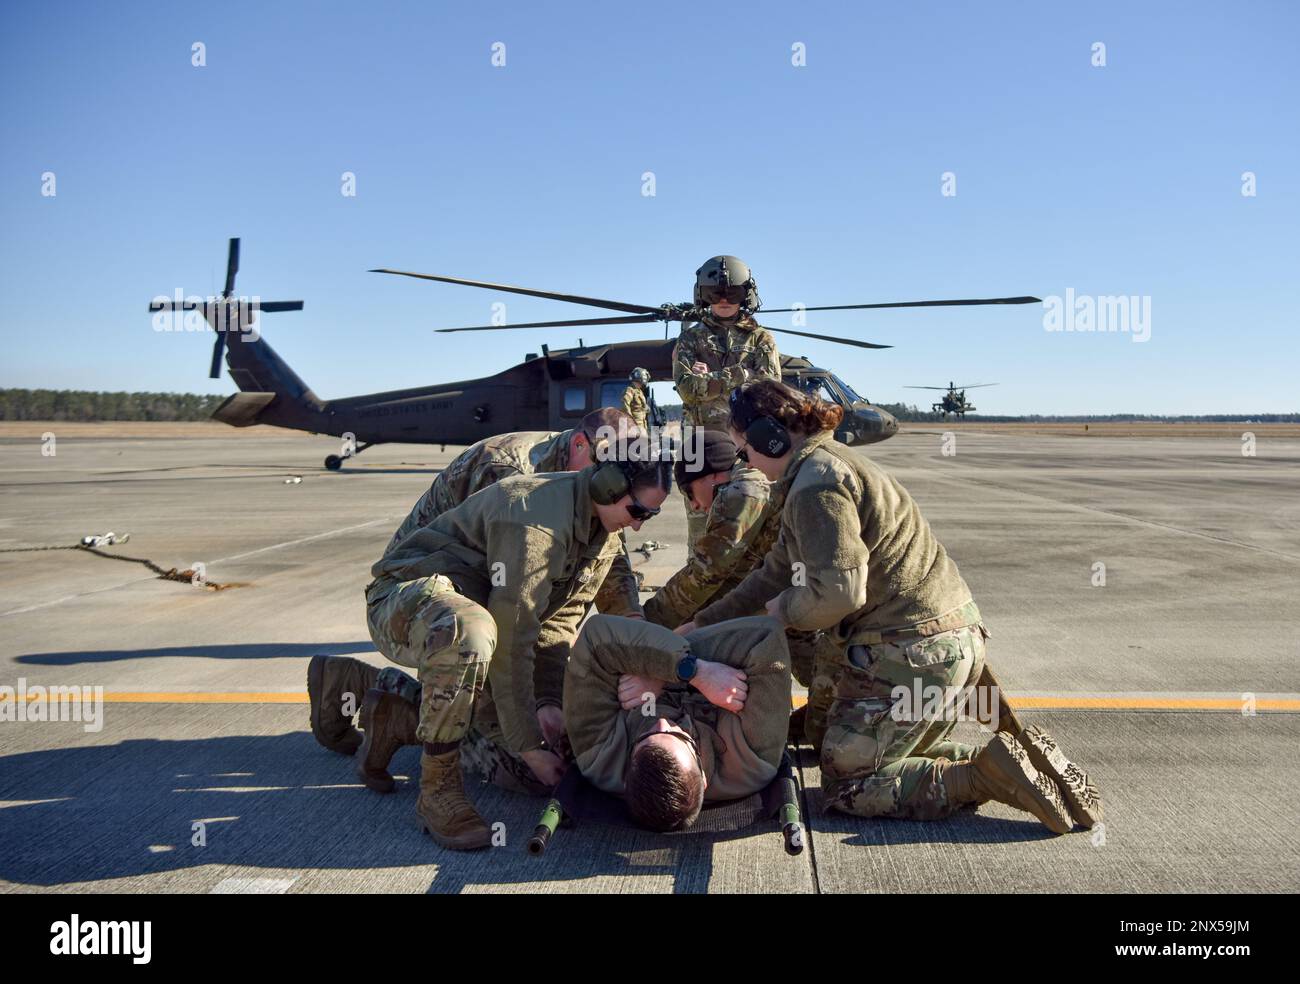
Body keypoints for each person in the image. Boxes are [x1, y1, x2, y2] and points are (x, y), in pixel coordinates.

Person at [680, 379, 1102, 834]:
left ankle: (984, 776)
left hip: (911, 653)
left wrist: (780, 615)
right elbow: (776, 571)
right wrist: (701, 625)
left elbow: (838, 594)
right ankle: (1020, 762)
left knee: (848, 784)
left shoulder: (815, 487)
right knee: (887, 756)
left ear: (770, 437)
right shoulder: (827, 466)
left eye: (746, 451)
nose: (748, 463)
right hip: (955, 642)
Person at [365, 454, 672, 849]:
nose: (638, 523)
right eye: (635, 510)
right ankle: (437, 789)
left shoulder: (602, 527)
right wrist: (528, 744)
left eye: (650, 515)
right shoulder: (534, 523)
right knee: (471, 636)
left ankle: (394, 710)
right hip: (410, 604)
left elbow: (559, 622)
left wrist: (547, 703)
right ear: (607, 486)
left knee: (529, 775)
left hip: (485, 620)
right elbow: (512, 639)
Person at [306, 409, 644, 759]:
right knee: (508, 753)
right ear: (578, 443)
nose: (613, 483)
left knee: (554, 724)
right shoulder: (513, 476)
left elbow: (607, 560)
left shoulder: (586, 485)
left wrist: (634, 628)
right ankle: (370, 691)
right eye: (608, 471)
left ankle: (374, 695)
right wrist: (523, 730)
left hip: (493, 606)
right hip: (423, 599)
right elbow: (506, 610)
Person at [642, 430, 836, 748]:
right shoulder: (755, 482)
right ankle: (825, 712)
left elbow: (706, 573)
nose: (696, 505)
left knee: (834, 742)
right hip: (803, 594)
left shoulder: (740, 491)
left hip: (814, 601)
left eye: (690, 493)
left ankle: (833, 713)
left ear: (713, 475)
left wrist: (647, 624)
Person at [563, 613, 791, 831]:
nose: (663, 723)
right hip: (707, 630)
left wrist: (665, 669)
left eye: (648, 735)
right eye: (679, 735)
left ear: (627, 773)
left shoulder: (598, 754)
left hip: (641, 629)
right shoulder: (753, 758)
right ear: (702, 778)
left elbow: (595, 636)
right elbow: (766, 638)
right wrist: (694, 671)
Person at [672, 256, 781, 549]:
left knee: (752, 533)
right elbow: (688, 389)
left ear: (746, 296)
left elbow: (769, 392)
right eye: (714, 294)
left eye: (731, 293)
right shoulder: (690, 340)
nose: (723, 300)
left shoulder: (761, 340)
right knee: (701, 536)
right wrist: (744, 373)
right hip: (701, 449)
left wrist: (713, 378)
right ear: (703, 296)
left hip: (747, 447)